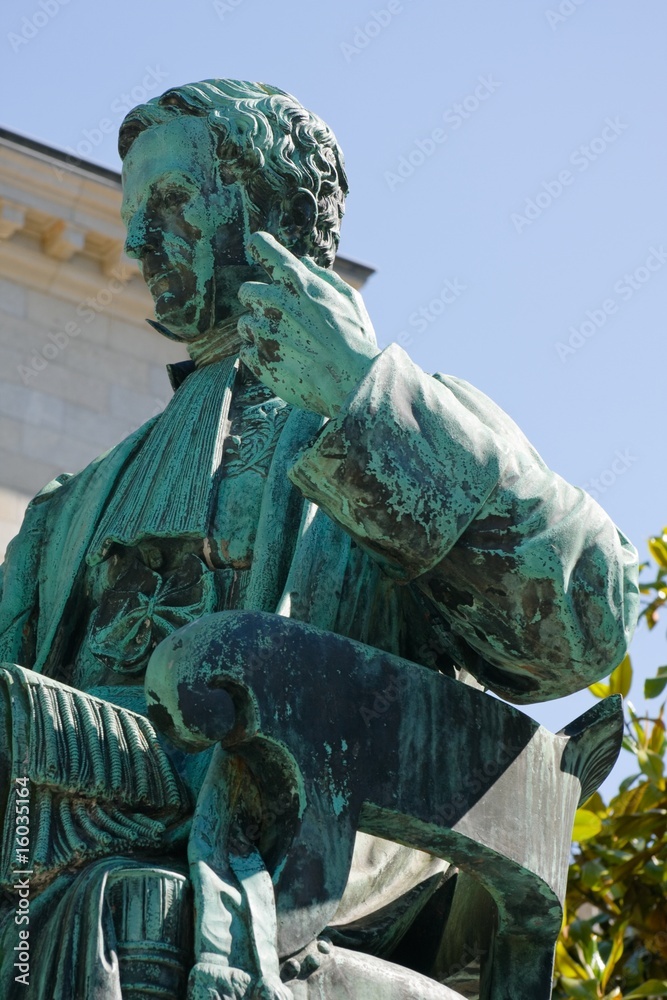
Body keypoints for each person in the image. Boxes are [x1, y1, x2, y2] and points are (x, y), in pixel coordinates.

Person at [0, 79, 638, 998]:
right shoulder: (65, 513)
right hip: (68, 837)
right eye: (132, 214)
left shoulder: (398, 415)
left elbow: (582, 623)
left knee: (110, 905)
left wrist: (359, 397)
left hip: (298, 847)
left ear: (284, 212)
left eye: (174, 204)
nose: (138, 245)